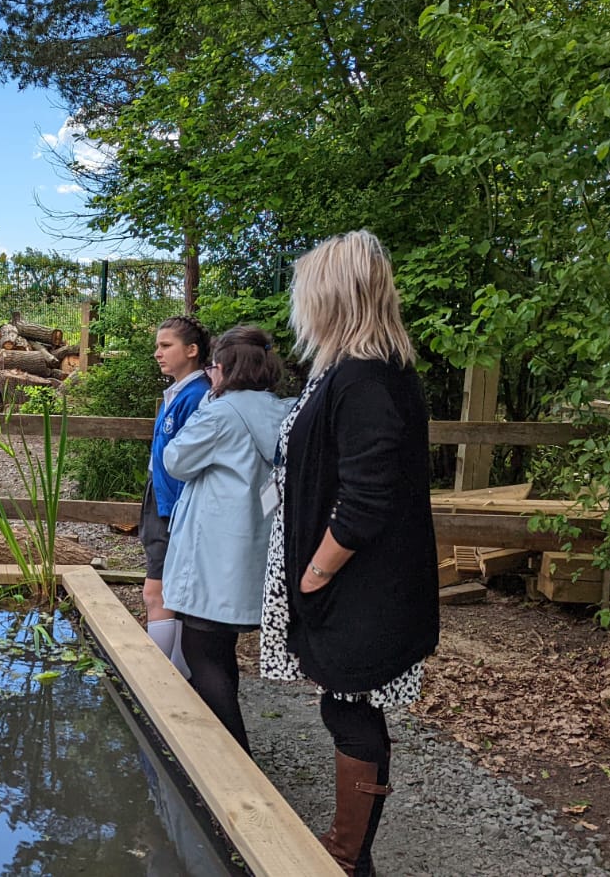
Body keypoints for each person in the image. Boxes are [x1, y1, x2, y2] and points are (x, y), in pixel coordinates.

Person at [259, 230, 439, 876]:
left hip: (358, 586)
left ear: (333, 296)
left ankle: (346, 857)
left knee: (349, 704)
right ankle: (349, 852)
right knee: (348, 704)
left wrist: (312, 576)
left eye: (306, 293)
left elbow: (366, 499)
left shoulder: (365, 376)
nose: (299, 306)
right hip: (355, 584)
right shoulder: (360, 371)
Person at [161, 326, 294, 756]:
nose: (210, 375)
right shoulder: (284, 411)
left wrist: (207, 405)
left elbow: (176, 460)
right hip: (252, 545)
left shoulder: (220, 413)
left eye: (214, 367)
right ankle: (223, 749)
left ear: (224, 369)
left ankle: (233, 760)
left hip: (213, 550)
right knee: (221, 649)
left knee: (200, 650)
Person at [142, 314, 211, 678]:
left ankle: (155, 679)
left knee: (158, 592)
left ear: (193, 350)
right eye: (158, 345)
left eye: (166, 345)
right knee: (168, 593)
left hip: (174, 508)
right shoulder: (178, 392)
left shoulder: (197, 397)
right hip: (163, 500)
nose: (158, 353)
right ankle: (179, 674)